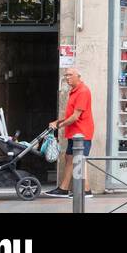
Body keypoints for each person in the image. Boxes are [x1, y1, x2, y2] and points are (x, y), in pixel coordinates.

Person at [45, 67, 94, 198]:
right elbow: (70, 115)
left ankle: (86, 190)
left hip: (82, 132)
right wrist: (58, 121)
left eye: (70, 75)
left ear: (78, 76)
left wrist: (59, 125)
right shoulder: (73, 91)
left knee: (80, 160)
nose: (67, 78)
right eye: (66, 75)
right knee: (69, 158)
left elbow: (75, 116)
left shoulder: (83, 91)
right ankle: (63, 188)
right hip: (74, 133)